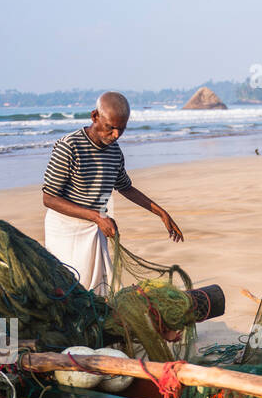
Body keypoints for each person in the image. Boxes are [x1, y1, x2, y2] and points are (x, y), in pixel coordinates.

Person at [42, 92, 183, 295]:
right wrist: (97, 217)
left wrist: (161, 213)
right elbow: (49, 198)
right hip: (65, 230)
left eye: (121, 129)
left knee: (100, 292)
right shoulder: (68, 146)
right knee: (70, 291)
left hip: (96, 227)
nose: (116, 135)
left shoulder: (114, 152)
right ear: (95, 116)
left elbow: (125, 187)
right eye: (110, 127)